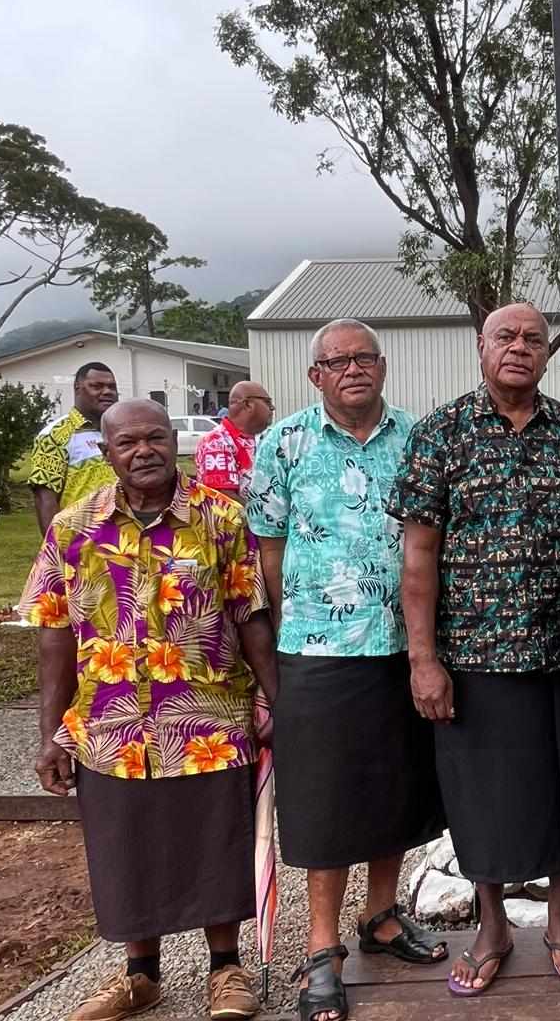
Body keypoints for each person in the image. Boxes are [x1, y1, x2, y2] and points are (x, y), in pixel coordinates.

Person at [20, 399, 278, 1021]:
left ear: (176, 442)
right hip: (110, 723)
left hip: (206, 719)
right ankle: (141, 974)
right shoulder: (74, 528)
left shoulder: (220, 518)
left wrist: (277, 697)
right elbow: (54, 633)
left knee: (214, 842)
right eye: (128, 442)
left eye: (156, 438)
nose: (144, 451)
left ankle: (225, 970)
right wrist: (51, 733)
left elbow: (251, 616)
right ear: (106, 453)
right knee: (126, 846)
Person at [390, 302, 560, 997]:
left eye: (533, 339)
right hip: (473, 658)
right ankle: (491, 926)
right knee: (480, 799)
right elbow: (418, 557)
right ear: (480, 347)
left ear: (548, 354)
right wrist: (424, 660)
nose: (519, 347)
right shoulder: (441, 433)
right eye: (505, 337)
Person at [246, 320, 446, 1021]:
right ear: (316, 376)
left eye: (364, 357)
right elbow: (268, 552)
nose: (353, 368)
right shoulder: (282, 444)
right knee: (326, 804)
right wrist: (287, 642)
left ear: (382, 366)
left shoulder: (419, 438)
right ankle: (323, 950)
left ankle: (383, 917)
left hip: (405, 648)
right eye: (338, 361)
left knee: (396, 788)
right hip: (318, 651)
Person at [27, 362, 119, 535]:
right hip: (82, 540)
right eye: (96, 386)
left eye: (112, 386)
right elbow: (45, 498)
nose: (107, 392)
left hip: (127, 539)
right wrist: (55, 549)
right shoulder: (54, 435)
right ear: (78, 389)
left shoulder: (122, 430)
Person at [195, 380, 274, 502]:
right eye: (267, 402)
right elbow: (224, 499)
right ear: (248, 405)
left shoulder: (262, 437)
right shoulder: (217, 442)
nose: (272, 408)